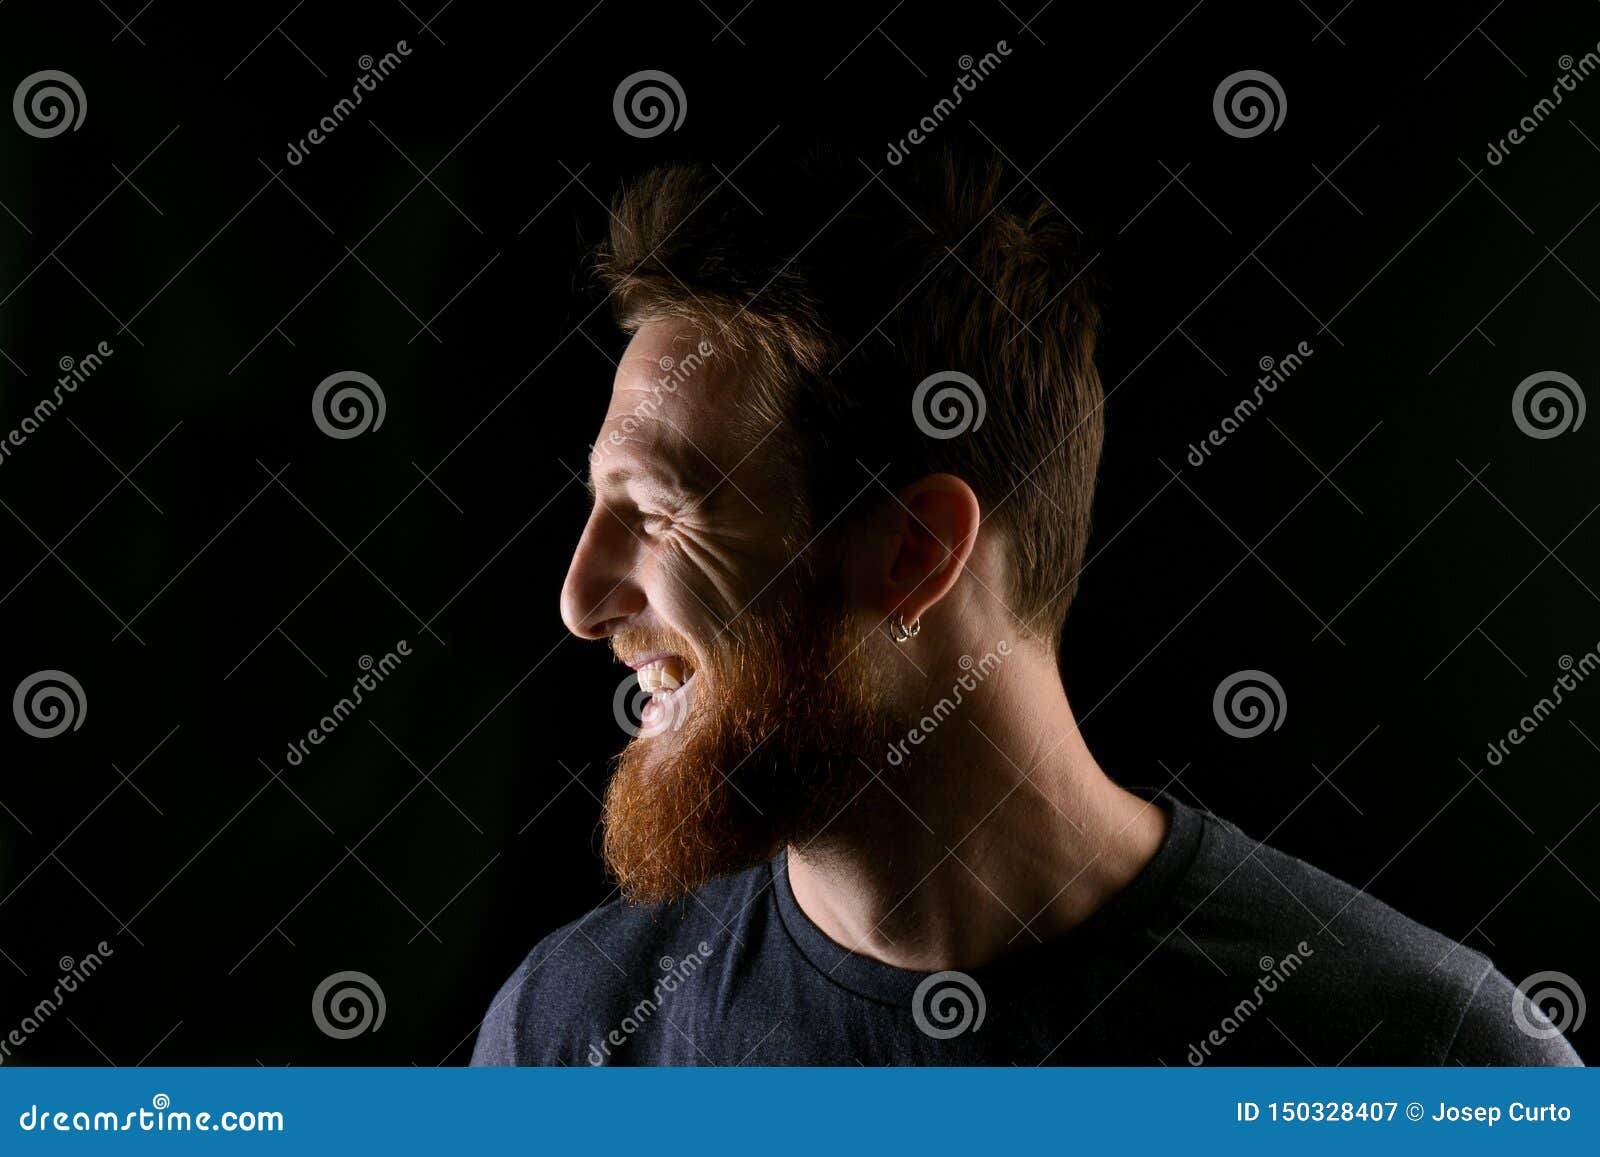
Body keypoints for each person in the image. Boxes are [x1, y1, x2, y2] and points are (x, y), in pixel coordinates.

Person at [472, 145, 1581, 1066]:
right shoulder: (568, 1040)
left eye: (658, 512)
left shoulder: (1423, 1062)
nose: (579, 599)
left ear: (916, 553)